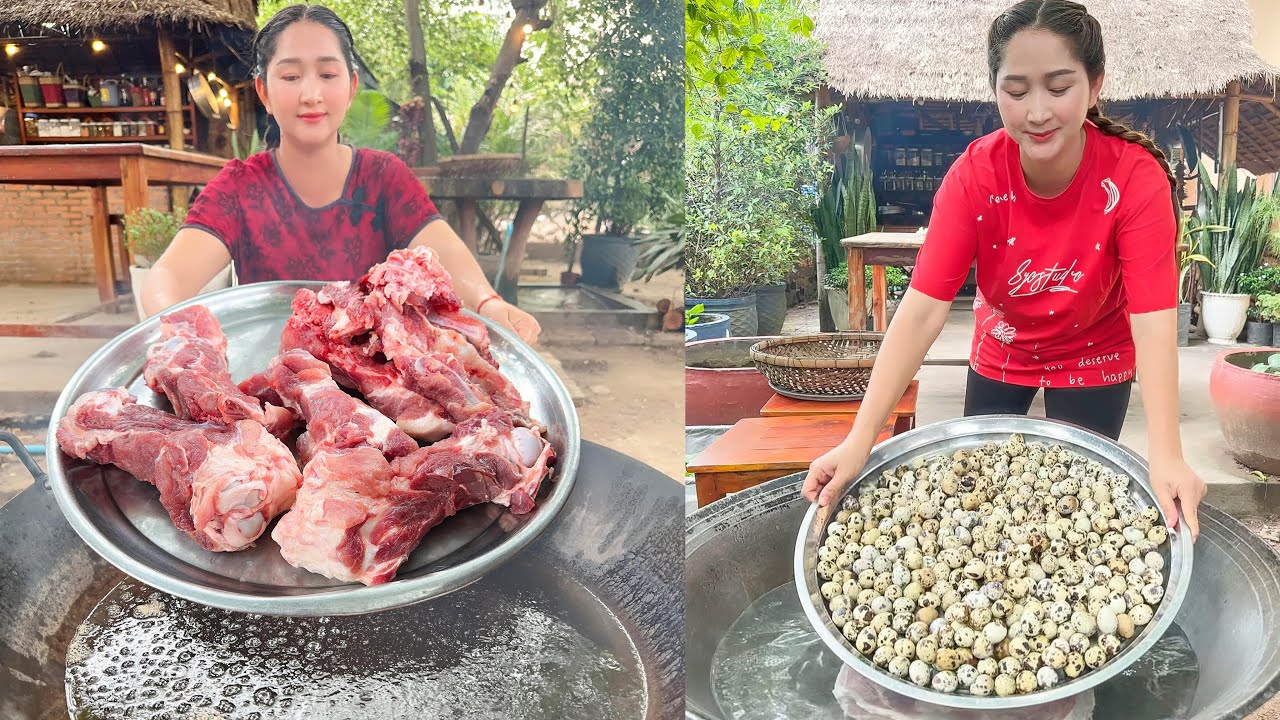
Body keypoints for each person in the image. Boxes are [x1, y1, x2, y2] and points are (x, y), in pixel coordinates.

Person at [802, 0, 1208, 538]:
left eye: (1059, 88)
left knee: (1080, 510)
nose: (1036, 111)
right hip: (1004, 345)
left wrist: (1168, 454)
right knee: (982, 501)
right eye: (1016, 92)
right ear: (995, 90)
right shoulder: (974, 176)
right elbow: (921, 312)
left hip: (1097, 351)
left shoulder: (1135, 180)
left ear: (1095, 84)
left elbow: (1153, 319)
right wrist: (859, 442)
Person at [140, 4, 541, 345]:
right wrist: (178, 337)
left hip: (372, 393)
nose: (310, 94)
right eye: (291, 76)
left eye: (328, 75)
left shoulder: (383, 177)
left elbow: (445, 254)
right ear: (263, 92)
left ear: (350, 88)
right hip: (268, 384)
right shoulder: (239, 187)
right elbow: (170, 274)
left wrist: (490, 303)